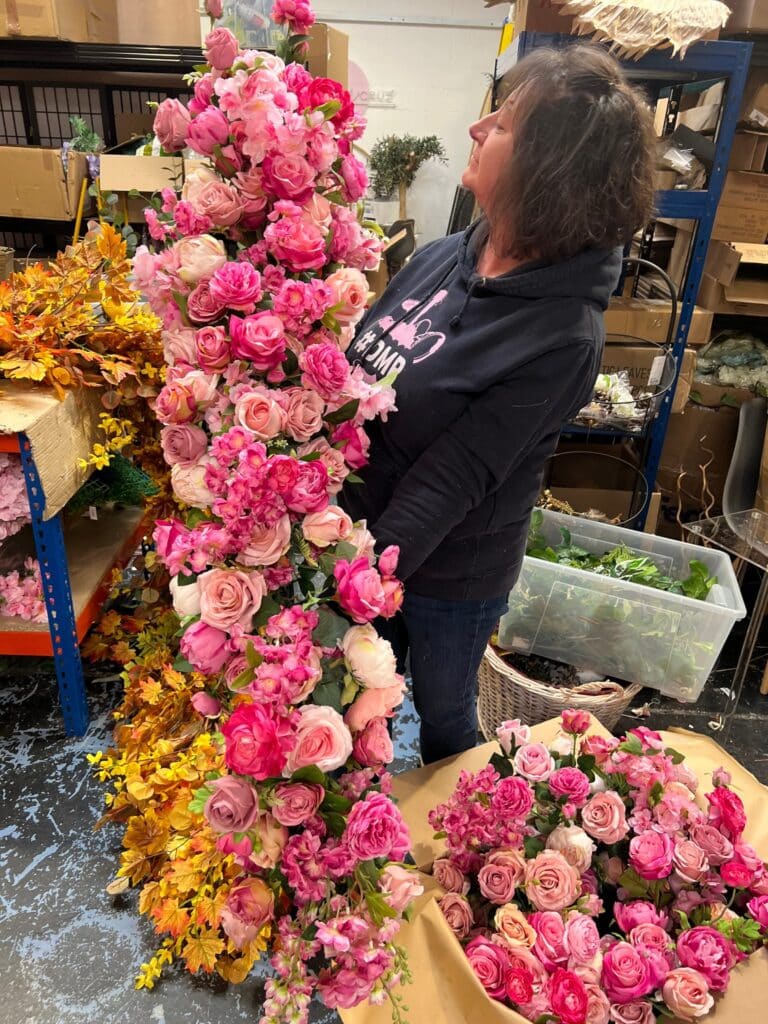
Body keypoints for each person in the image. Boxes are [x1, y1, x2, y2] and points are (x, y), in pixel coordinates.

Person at [342, 44, 656, 764]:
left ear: (549, 173)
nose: (480, 126)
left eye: (505, 123)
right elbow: (358, 376)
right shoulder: (440, 256)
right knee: (358, 704)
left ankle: (463, 829)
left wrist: (358, 584)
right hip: (361, 544)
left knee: (445, 712)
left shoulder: (562, 334)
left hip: (451, 571)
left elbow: (449, 480)